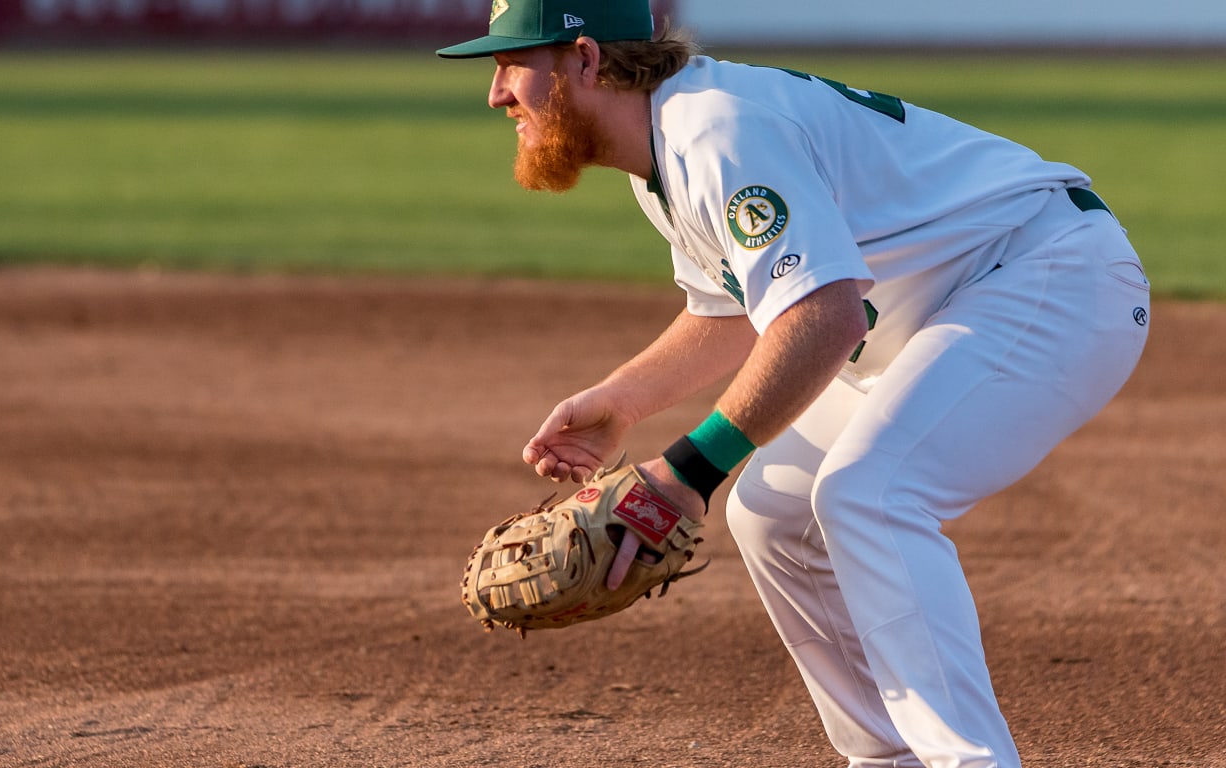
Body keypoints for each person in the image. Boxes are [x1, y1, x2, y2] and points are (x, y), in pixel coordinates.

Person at [437, 2, 1151, 766]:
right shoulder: (665, 152)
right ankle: (887, 756)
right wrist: (623, 400)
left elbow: (825, 317)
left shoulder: (715, 132)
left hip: (1050, 277)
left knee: (869, 492)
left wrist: (684, 474)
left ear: (584, 61)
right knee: (774, 514)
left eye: (514, 65)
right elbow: (743, 309)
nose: (498, 93)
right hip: (953, 305)